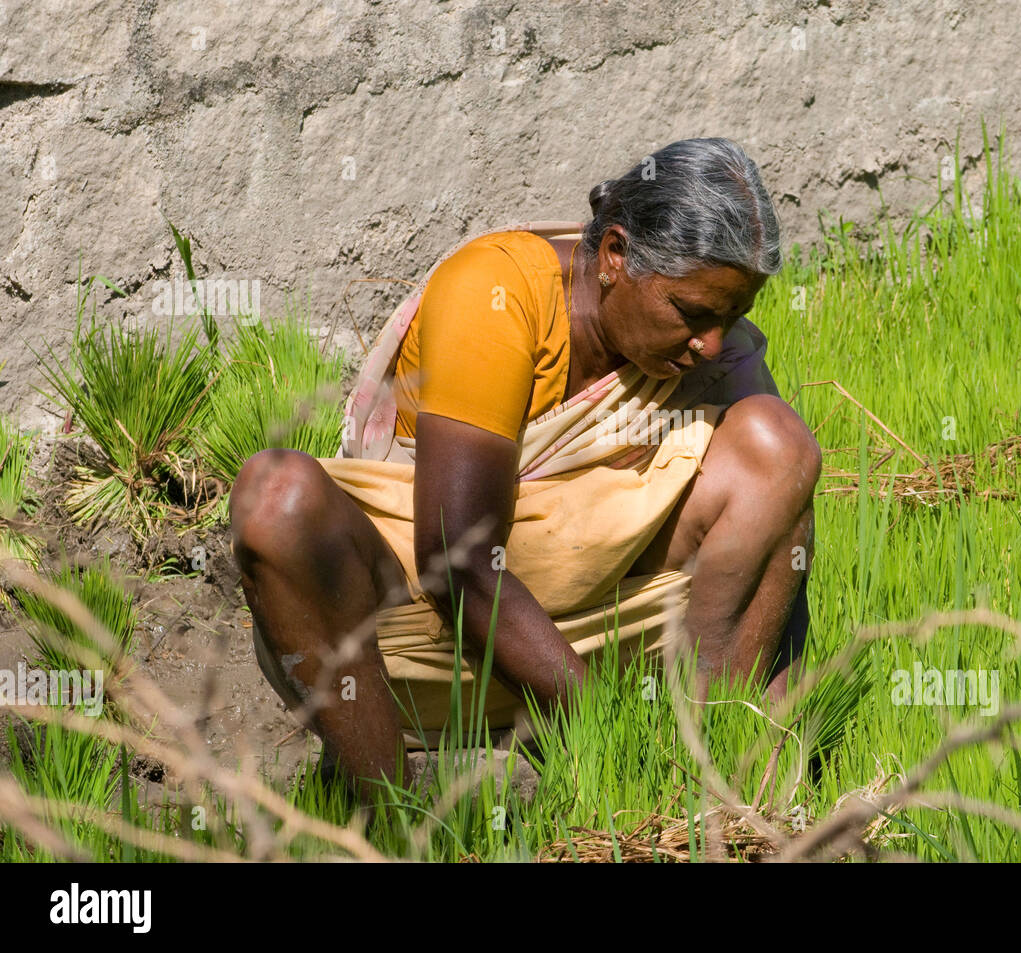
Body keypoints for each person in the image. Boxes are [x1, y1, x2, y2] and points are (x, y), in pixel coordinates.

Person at [229, 138, 822, 795]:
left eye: (733, 316)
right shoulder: (497, 294)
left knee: (780, 445)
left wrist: (775, 736)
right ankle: (385, 816)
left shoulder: (707, 347)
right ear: (615, 256)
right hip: (429, 636)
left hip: (603, 623)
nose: (712, 343)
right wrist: (605, 732)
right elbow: (455, 565)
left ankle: (705, 764)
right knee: (277, 499)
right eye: (692, 314)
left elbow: (783, 518)